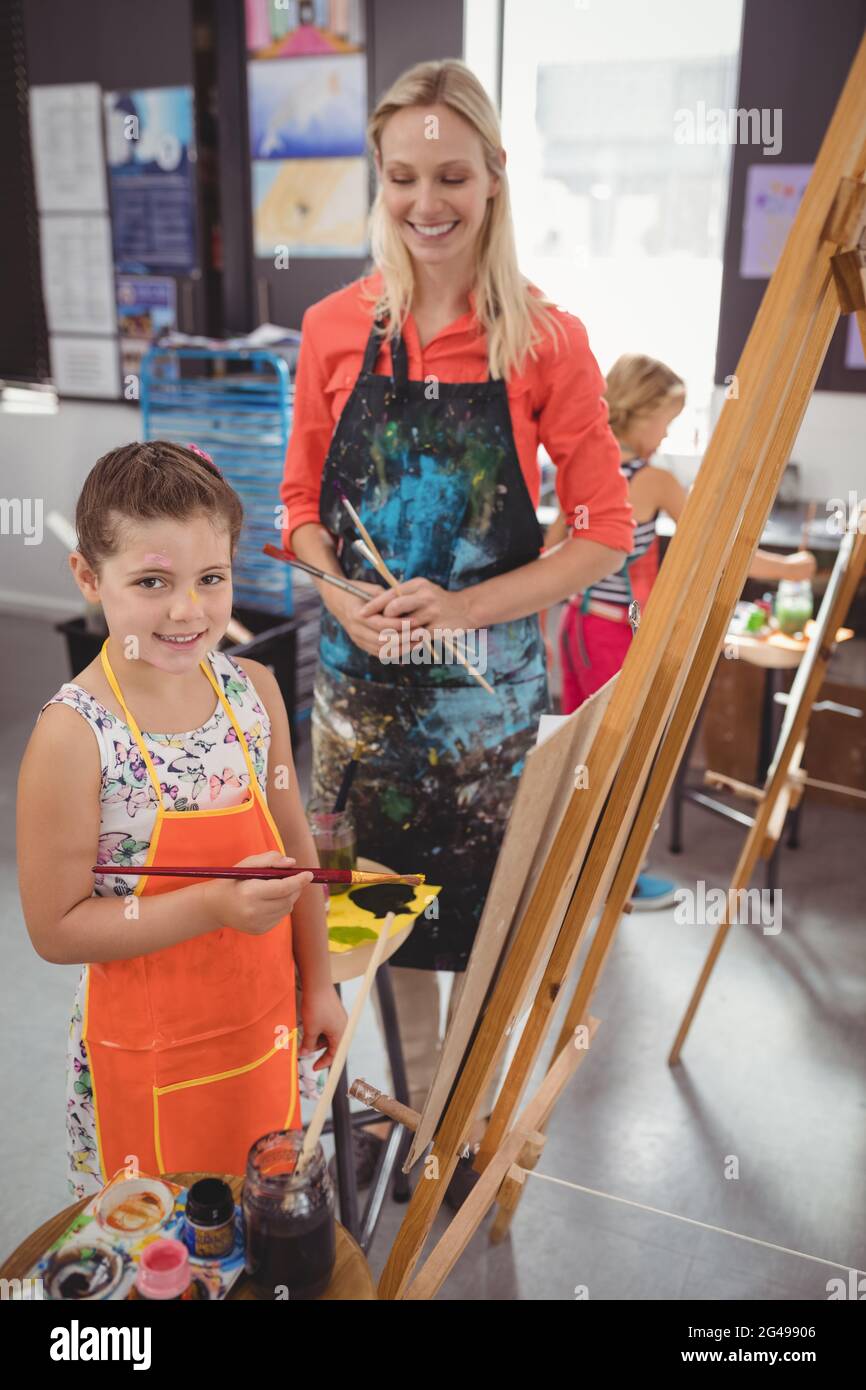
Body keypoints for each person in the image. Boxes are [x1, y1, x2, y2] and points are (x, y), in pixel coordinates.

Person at [280, 59, 634, 1190]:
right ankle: (412, 1107)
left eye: (450, 177)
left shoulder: (545, 342)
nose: (425, 204)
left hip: (480, 712)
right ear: (377, 182)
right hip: (355, 701)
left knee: (476, 920)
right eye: (401, 179)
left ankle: (454, 1120)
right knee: (368, 918)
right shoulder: (332, 329)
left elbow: (601, 533)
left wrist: (465, 605)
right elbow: (296, 510)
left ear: (494, 176)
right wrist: (340, 592)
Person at [17, 440, 346, 1199]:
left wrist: (319, 984)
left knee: (258, 1217)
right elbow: (56, 928)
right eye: (151, 581)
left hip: (263, 1025)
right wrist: (213, 905)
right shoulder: (74, 736)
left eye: (211, 578)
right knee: (161, 1256)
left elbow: (297, 849)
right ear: (89, 578)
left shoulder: (254, 692)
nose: (186, 609)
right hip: (144, 1051)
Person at [546, 353, 817, 910]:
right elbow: (719, 551)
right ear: (640, 413)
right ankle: (616, 884)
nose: (668, 430)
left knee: (585, 762)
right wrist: (790, 568)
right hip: (615, 642)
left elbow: (551, 550)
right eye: (666, 418)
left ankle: (577, 880)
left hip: (575, 630)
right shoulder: (654, 480)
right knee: (627, 764)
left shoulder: (583, 465)